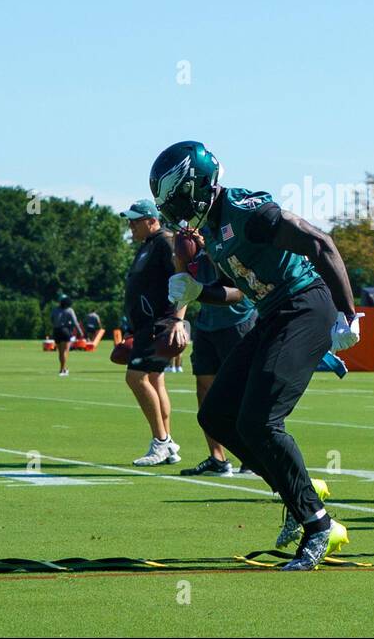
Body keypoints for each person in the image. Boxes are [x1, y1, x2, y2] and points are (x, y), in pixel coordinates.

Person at [154, 141, 361, 571]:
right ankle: (301, 492)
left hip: (306, 305)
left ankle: (318, 524)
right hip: (273, 312)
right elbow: (242, 288)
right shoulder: (210, 228)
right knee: (217, 416)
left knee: (260, 420)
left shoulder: (246, 210)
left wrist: (347, 313)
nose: (173, 213)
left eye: (175, 200)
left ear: (196, 185)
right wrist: (199, 292)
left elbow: (320, 243)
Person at [118, 199, 188, 466]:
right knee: (156, 379)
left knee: (136, 378)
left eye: (135, 221)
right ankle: (167, 442)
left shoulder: (164, 242)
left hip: (160, 324)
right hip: (147, 326)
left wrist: (177, 320)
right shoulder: (149, 245)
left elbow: (184, 281)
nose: (130, 226)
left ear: (151, 220)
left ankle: (160, 442)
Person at [180, 247, 257, 476]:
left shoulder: (226, 233)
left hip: (238, 320)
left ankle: (252, 456)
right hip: (207, 323)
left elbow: (235, 286)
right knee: (204, 390)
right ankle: (217, 458)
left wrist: (207, 247)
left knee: (243, 392)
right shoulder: (187, 235)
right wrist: (182, 254)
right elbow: (182, 281)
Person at [50, 294, 85, 377]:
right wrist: (80, 332)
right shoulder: (69, 310)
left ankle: (62, 368)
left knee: (60, 352)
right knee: (65, 351)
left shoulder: (55, 310)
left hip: (56, 331)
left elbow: (51, 319)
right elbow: (75, 322)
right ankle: (63, 370)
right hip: (65, 331)